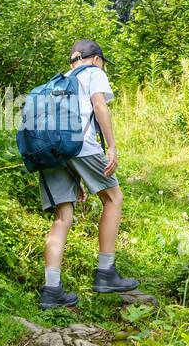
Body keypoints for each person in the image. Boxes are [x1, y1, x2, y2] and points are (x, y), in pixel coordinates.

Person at [36, 39, 139, 309]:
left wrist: (76, 175)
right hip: (82, 146)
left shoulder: (58, 80)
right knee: (113, 199)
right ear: (96, 59)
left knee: (63, 215)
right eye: (103, 63)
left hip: (51, 152)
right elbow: (98, 105)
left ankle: (51, 289)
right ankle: (106, 273)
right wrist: (112, 146)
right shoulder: (94, 73)